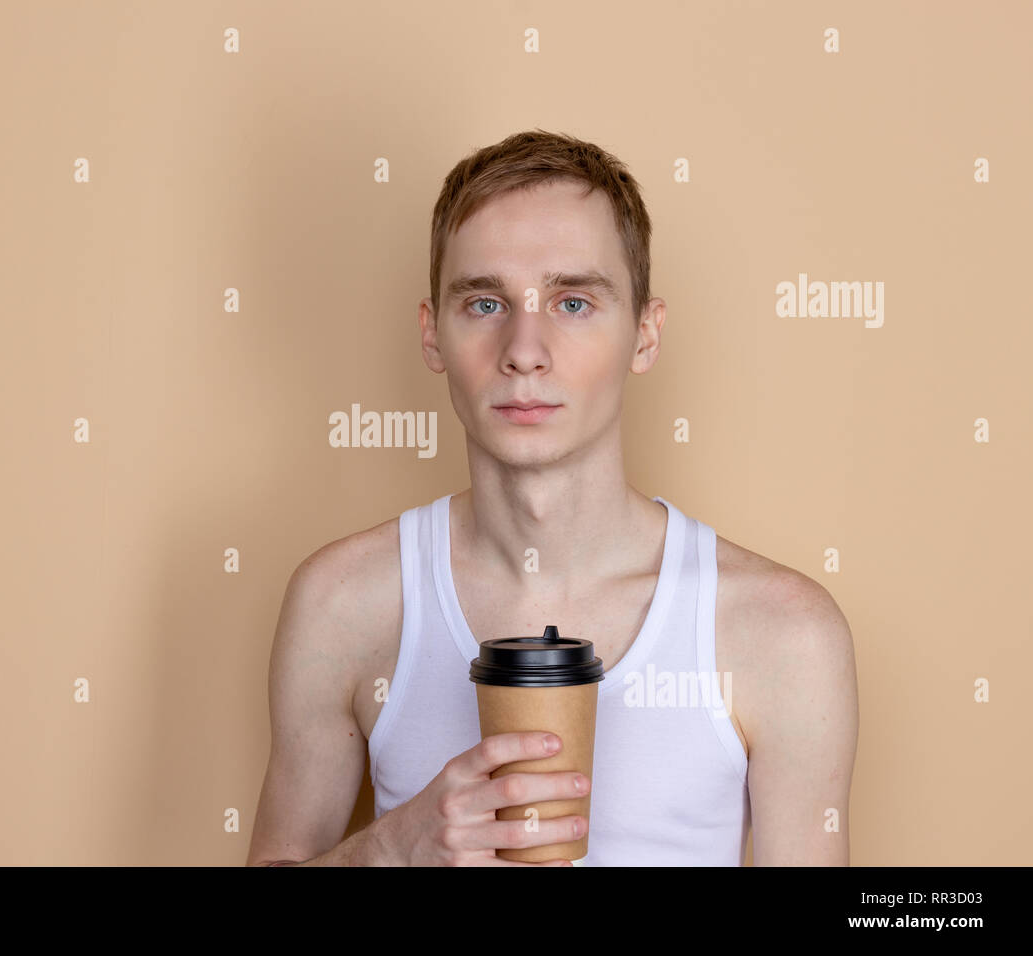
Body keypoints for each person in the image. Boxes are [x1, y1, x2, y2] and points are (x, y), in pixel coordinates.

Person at [246, 129, 858, 866]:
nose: (524, 350)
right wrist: (387, 851)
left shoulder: (784, 635)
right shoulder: (341, 603)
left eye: (572, 303)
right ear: (431, 334)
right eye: (483, 304)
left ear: (645, 334)